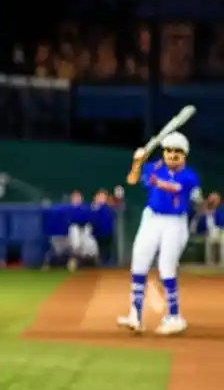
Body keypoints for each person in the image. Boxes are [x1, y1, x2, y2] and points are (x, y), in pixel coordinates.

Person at [117, 132, 202, 335]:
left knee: (166, 267)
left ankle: (175, 317)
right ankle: (135, 315)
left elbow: (174, 188)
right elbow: (132, 179)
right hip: (151, 219)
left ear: (185, 155)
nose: (172, 155)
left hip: (175, 222)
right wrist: (137, 162)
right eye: (169, 150)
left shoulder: (189, 176)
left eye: (177, 152)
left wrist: (155, 180)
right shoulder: (154, 167)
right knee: (139, 262)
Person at [65, 190, 99, 271]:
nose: (77, 199)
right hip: (74, 228)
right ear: (72, 199)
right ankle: (73, 262)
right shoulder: (69, 208)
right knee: (76, 244)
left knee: (90, 246)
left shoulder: (86, 208)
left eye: (78, 197)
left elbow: (91, 219)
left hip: (85, 228)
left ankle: (89, 264)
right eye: (75, 197)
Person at [90, 189, 117, 266]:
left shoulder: (108, 208)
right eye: (100, 196)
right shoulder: (92, 207)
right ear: (96, 197)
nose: (102, 198)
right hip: (95, 235)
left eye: (104, 197)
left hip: (108, 234)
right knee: (98, 253)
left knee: (107, 253)